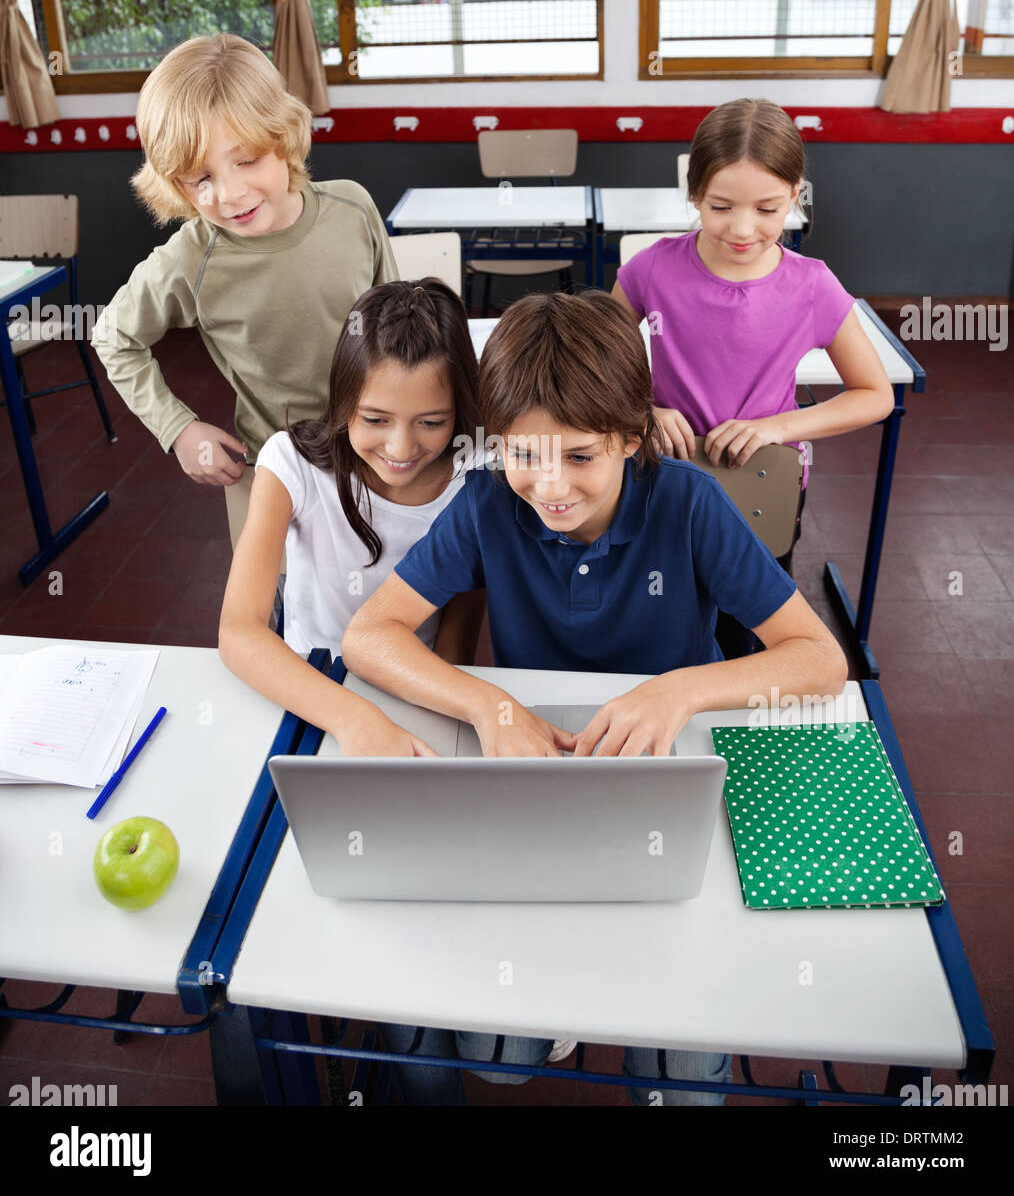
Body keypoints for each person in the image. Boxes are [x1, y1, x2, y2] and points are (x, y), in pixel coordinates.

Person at [341, 290, 848, 1105]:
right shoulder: (486, 502)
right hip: (543, 775)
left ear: (631, 438)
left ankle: (658, 1005)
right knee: (496, 1058)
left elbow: (822, 662)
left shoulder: (687, 502)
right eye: (524, 455)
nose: (550, 487)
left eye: (580, 457)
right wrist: (489, 706)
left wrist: (681, 690)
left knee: (681, 1088)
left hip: (673, 775)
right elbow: (369, 636)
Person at [91, 33, 399, 548]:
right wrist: (179, 429)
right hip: (280, 477)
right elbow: (114, 338)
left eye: (248, 159)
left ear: (284, 138)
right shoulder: (190, 258)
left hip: (385, 459)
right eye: (199, 178)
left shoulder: (353, 208)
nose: (229, 193)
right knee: (285, 615)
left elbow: (401, 325)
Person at [612, 96, 893, 561]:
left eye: (766, 210)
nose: (743, 229)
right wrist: (642, 412)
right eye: (721, 206)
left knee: (750, 621)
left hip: (764, 482)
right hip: (666, 473)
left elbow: (875, 394)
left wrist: (776, 428)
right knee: (664, 610)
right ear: (695, 193)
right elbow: (595, 369)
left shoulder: (813, 285)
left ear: (795, 195)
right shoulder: (649, 270)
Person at [219, 279, 485, 749]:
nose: (401, 448)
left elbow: (457, 634)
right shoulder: (290, 463)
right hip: (306, 683)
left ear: (459, 411)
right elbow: (239, 631)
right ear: (344, 401)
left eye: (431, 422)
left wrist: (434, 717)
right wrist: (354, 719)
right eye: (375, 419)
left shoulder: (478, 479)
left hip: (418, 685)